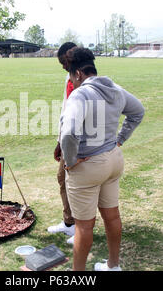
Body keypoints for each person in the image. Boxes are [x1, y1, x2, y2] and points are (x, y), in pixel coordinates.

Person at [60, 47, 145, 271]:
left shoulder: (80, 93)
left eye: (71, 75)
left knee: (84, 226)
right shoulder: (114, 89)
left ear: (77, 74)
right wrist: (119, 140)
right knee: (112, 216)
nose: (72, 81)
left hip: (88, 164)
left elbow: (68, 133)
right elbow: (138, 111)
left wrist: (69, 162)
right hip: (113, 160)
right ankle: (113, 266)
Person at [47, 42, 77, 244]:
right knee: (62, 178)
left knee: (77, 184)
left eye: (64, 62)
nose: (63, 66)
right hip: (66, 137)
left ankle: (80, 228)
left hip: (79, 140)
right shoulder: (69, 78)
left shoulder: (84, 79)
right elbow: (65, 112)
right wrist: (59, 141)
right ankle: (69, 224)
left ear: (71, 56)